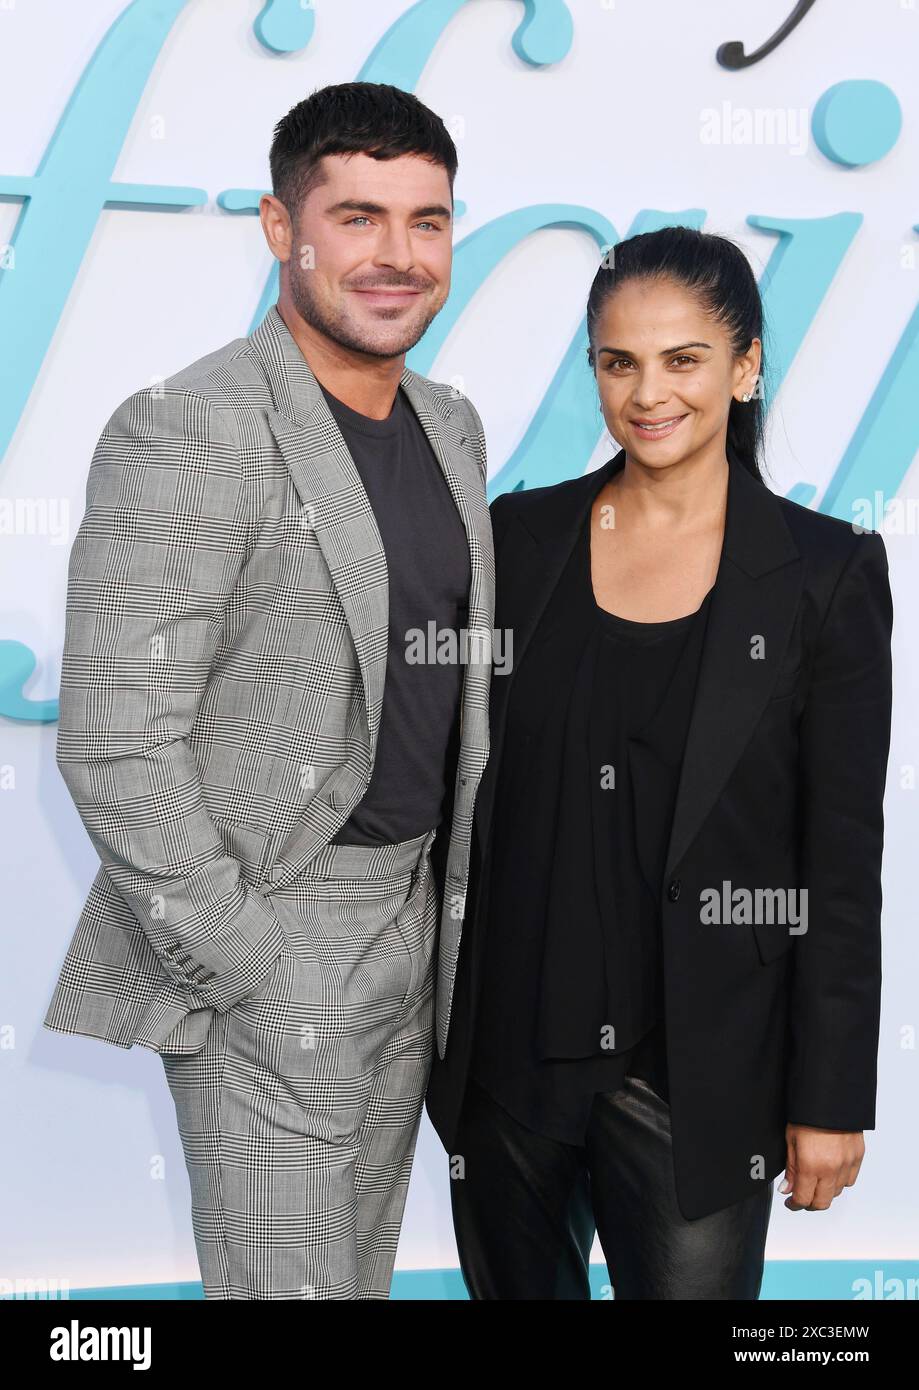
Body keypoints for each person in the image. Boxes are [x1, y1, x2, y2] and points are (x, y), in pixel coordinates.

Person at [44, 82, 494, 1300]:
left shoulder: (452, 425)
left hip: (416, 928)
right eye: (356, 217)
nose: (396, 256)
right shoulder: (192, 423)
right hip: (273, 924)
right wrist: (242, 950)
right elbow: (114, 736)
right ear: (279, 227)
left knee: (356, 1281)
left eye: (427, 220)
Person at [425, 225, 894, 1299]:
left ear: (744, 366)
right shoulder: (518, 540)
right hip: (508, 1068)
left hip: (697, 1079)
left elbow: (839, 862)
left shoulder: (824, 573)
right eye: (618, 361)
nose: (648, 391)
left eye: (683, 359)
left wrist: (829, 1097)